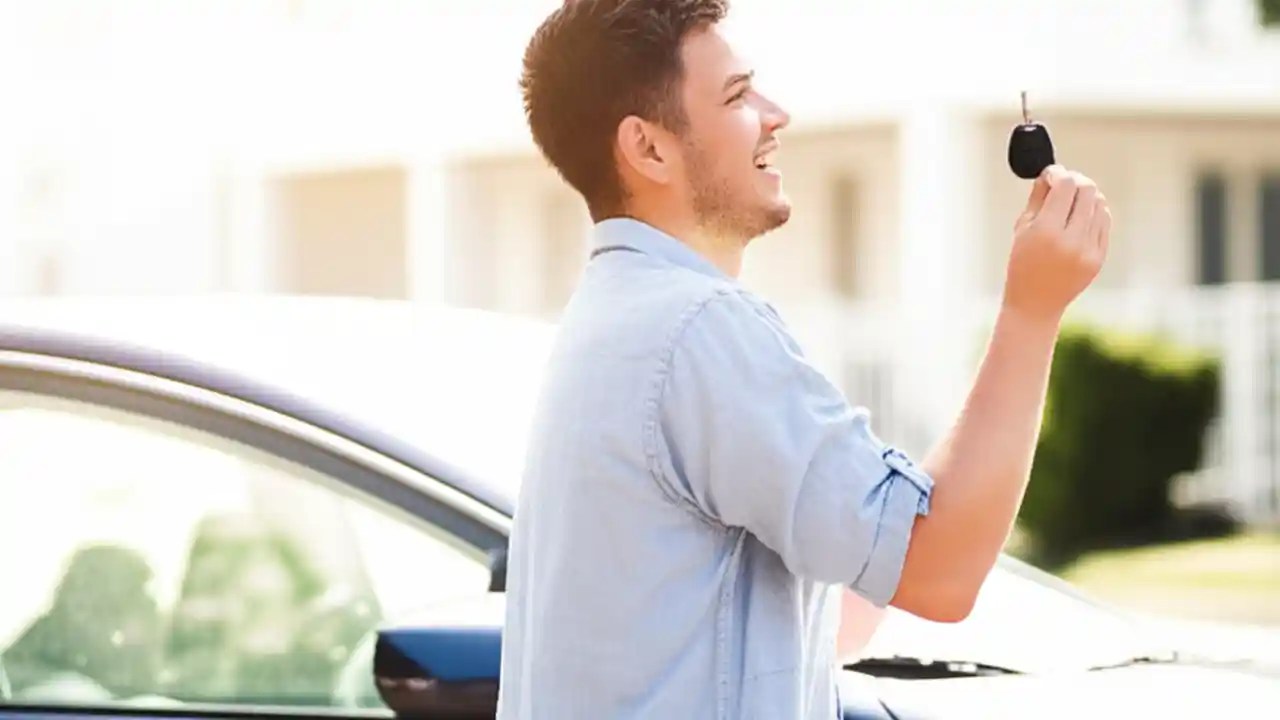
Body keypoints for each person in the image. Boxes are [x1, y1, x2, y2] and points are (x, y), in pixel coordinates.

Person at [498, 1, 1111, 718]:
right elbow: (939, 573)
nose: (775, 113)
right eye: (737, 95)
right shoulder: (698, 329)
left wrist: (877, 505)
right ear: (648, 148)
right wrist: (1031, 311)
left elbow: (824, 608)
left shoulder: (611, 320)